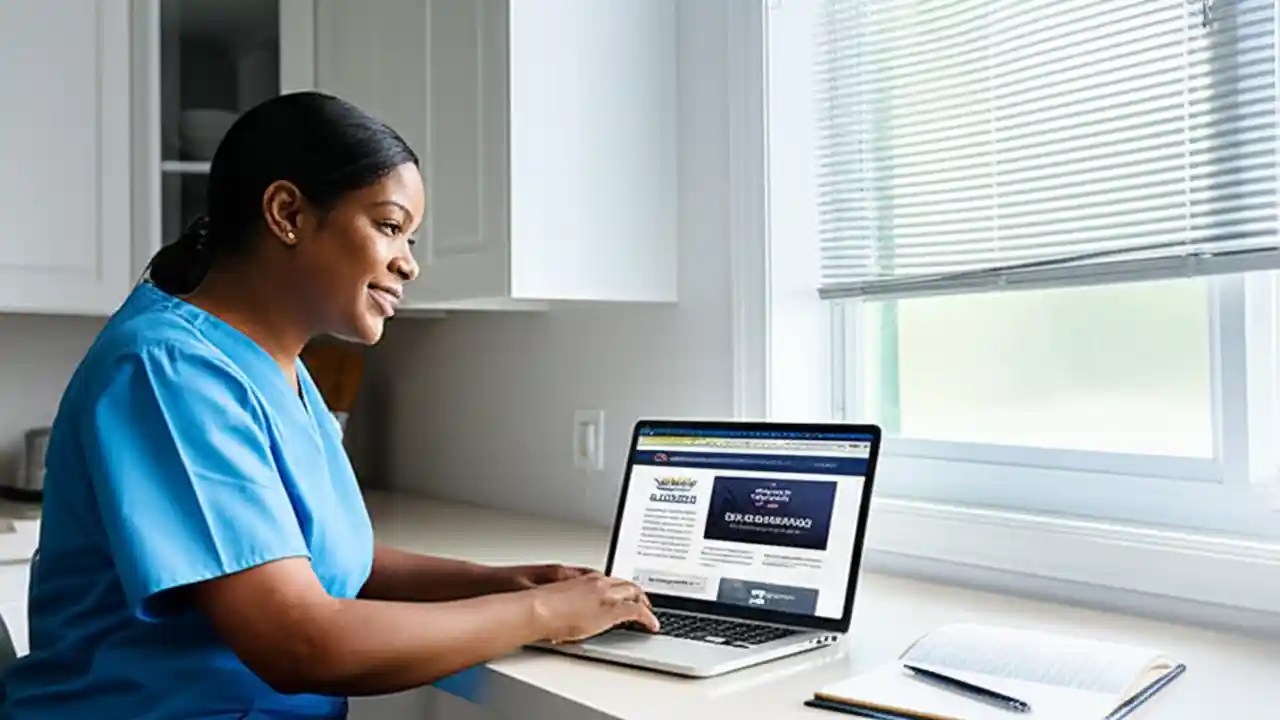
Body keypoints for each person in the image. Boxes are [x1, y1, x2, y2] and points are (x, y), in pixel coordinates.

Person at [0, 91, 659, 720]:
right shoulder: (168, 368)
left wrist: (502, 583)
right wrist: (545, 615)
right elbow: (299, 640)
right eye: (389, 227)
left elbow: (326, 559)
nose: (409, 264)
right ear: (287, 213)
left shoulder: (274, 366)